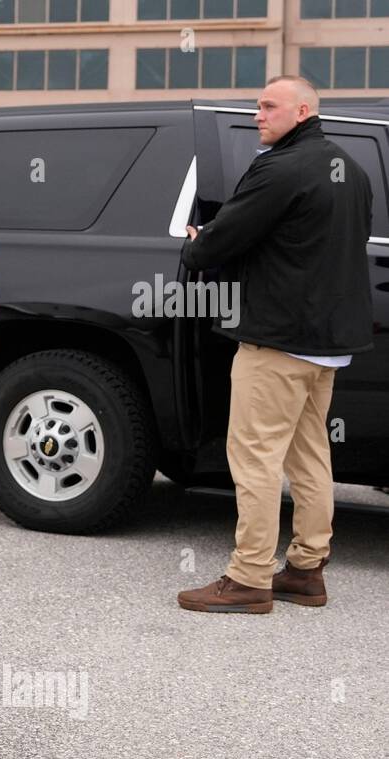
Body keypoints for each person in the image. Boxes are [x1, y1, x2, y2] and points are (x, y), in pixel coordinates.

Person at [177, 75, 374, 613]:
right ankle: (307, 571)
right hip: (327, 344)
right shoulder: (352, 171)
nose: (258, 114)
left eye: (269, 106)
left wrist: (200, 244)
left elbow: (227, 235)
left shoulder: (279, 167)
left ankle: (248, 579)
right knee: (309, 456)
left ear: (303, 109)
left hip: (279, 338)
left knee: (255, 456)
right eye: (257, 105)